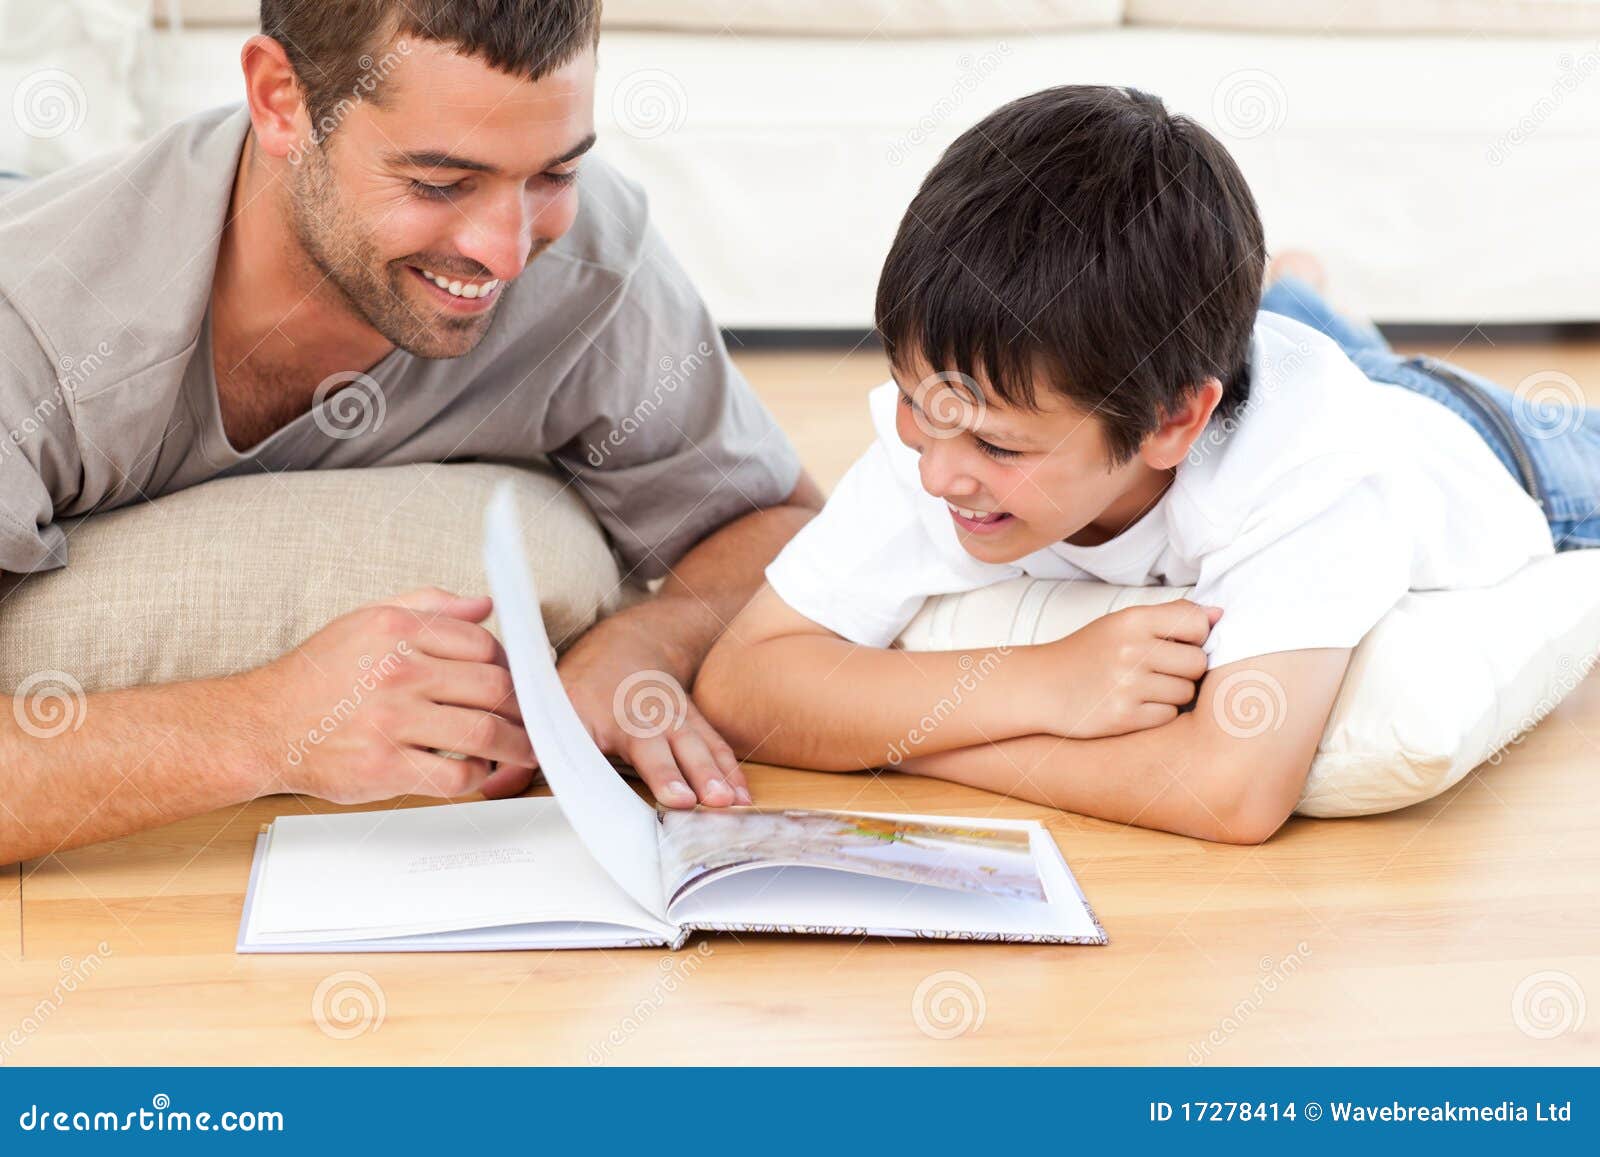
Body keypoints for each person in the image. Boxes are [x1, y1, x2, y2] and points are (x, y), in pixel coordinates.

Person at [0, 0, 823, 864]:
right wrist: (271, 725)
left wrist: (639, 641)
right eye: (440, 184)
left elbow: (779, 529)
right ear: (281, 100)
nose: (508, 254)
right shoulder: (39, 328)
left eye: (554, 174)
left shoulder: (590, 267)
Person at [694, 85, 1598, 844]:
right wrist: (1041, 681)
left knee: (1380, 379)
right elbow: (742, 684)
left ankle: (1304, 305)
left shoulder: (1310, 473)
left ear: (1173, 421)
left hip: (1504, 453)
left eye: (999, 448)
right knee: (1305, 338)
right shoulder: (955, 416)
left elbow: (1235, 789)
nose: (937, 476)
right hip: (1256, 366)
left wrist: (910, 744)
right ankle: (1297, 299)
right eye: (912, 404)